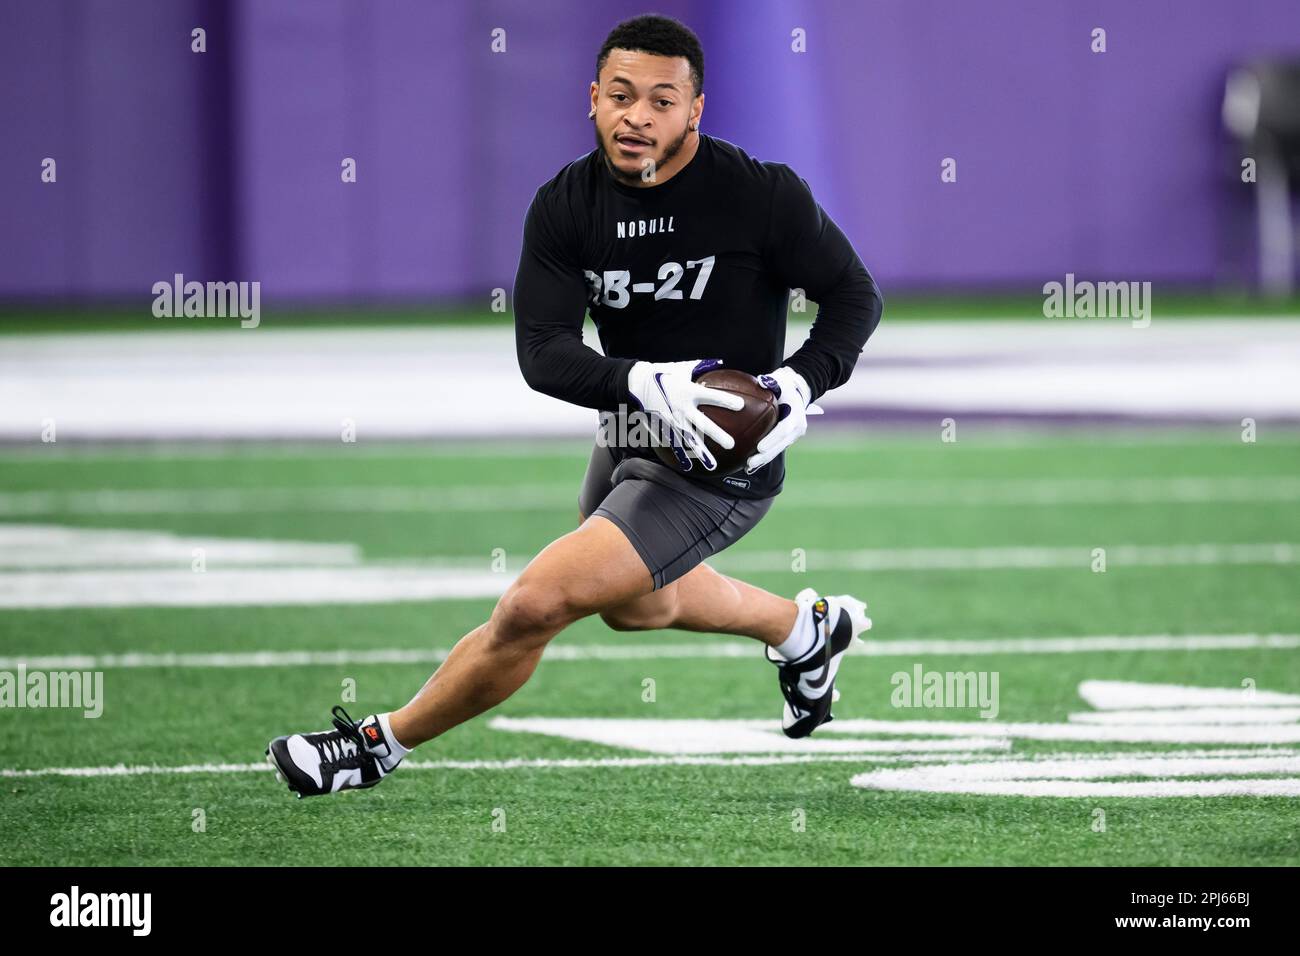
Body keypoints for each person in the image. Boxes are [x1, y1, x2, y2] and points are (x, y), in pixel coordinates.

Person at [267, 13, 883, 797]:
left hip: (717, 463)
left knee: (534, 603)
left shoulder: (756, 194)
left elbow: (852, 295)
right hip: (629, 431)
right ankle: (805, 631)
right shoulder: (566, 203)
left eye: (662, 101)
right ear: (592, 98)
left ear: (696, 111)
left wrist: (799, 381)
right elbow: (544, 352)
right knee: (637, 609)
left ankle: (377, 745)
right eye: (621, 96)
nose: (637, 117)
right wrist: (637, 380)